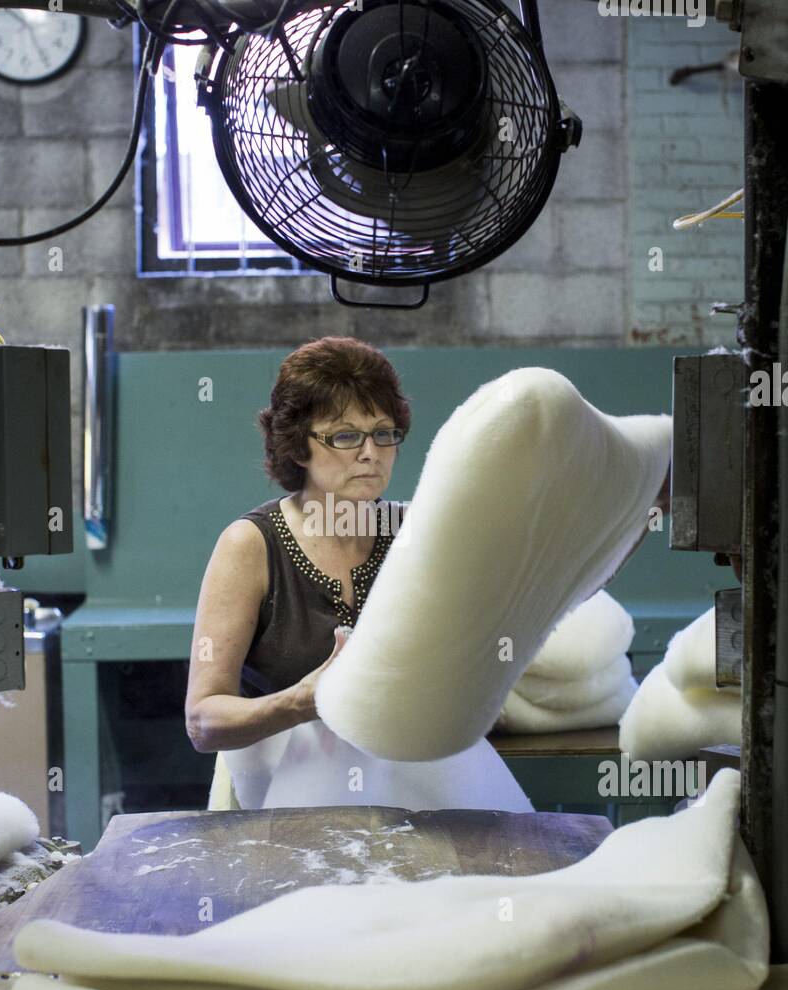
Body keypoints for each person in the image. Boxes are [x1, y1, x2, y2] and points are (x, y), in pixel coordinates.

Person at [185, 336, 533, 812]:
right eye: (345, 436)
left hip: (408, 787)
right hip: (283, 790)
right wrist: (300, 703)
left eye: (384, 433)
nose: (371, 452)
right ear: (298, 447)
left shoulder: (413, 530)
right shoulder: (249, 546)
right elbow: (203, 721)